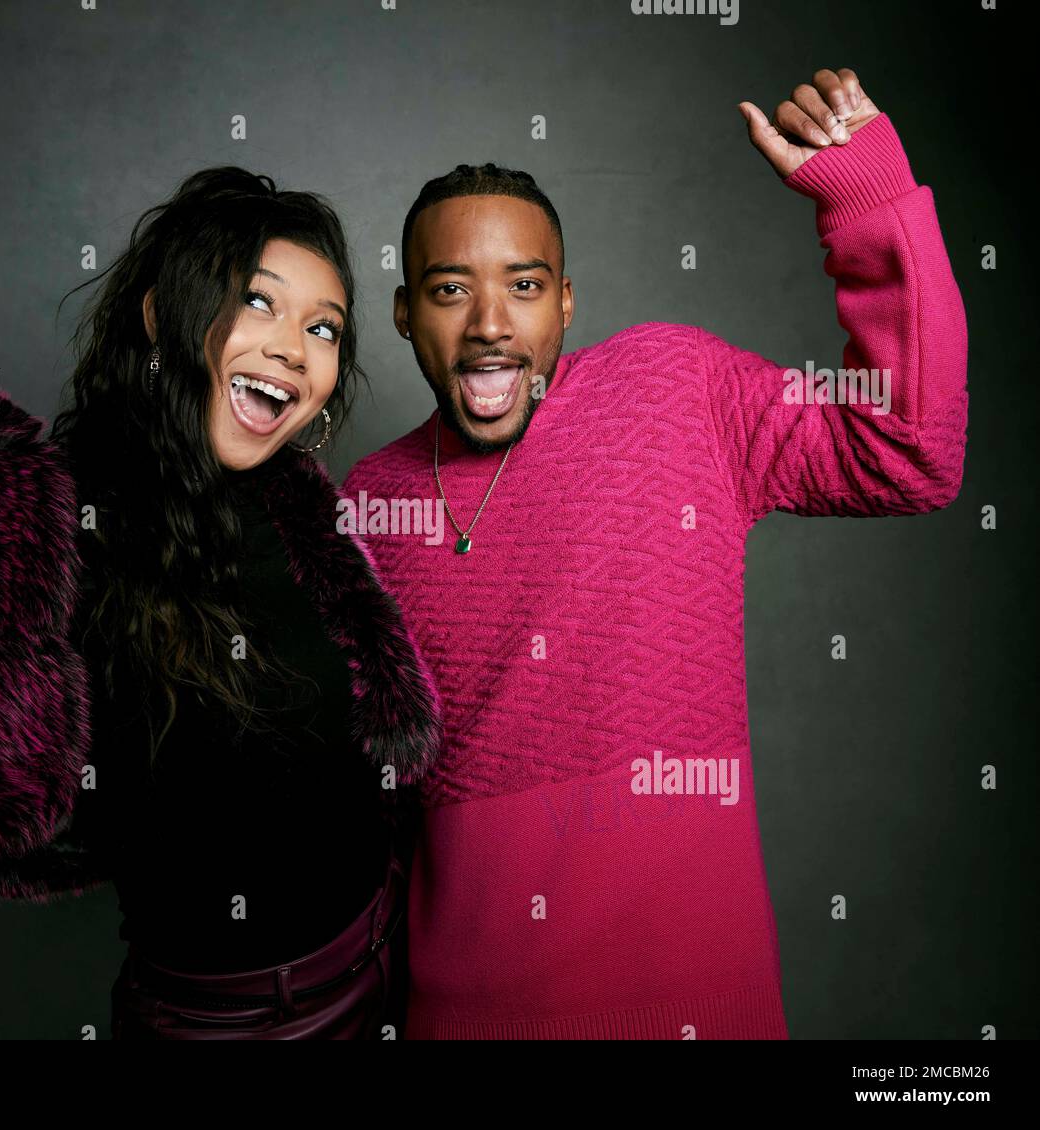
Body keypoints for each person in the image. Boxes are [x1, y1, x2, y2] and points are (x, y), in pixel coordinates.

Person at [0, 166, 440, 1040]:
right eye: (259, 303)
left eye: (324, 327)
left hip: (382, 971)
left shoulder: (304, 512)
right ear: (159, 315)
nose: (296, 348)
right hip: (212, 1023)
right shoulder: (34, 517)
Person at [342, 68, 968, 1038]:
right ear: (401, 314)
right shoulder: (363, 506)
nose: (491, 324)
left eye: (523, 285)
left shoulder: (676, 391)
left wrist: (871, 202)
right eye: (449, 289)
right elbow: (353, 817)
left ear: (565, 305)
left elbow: (909, 452)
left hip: (700, 1009)